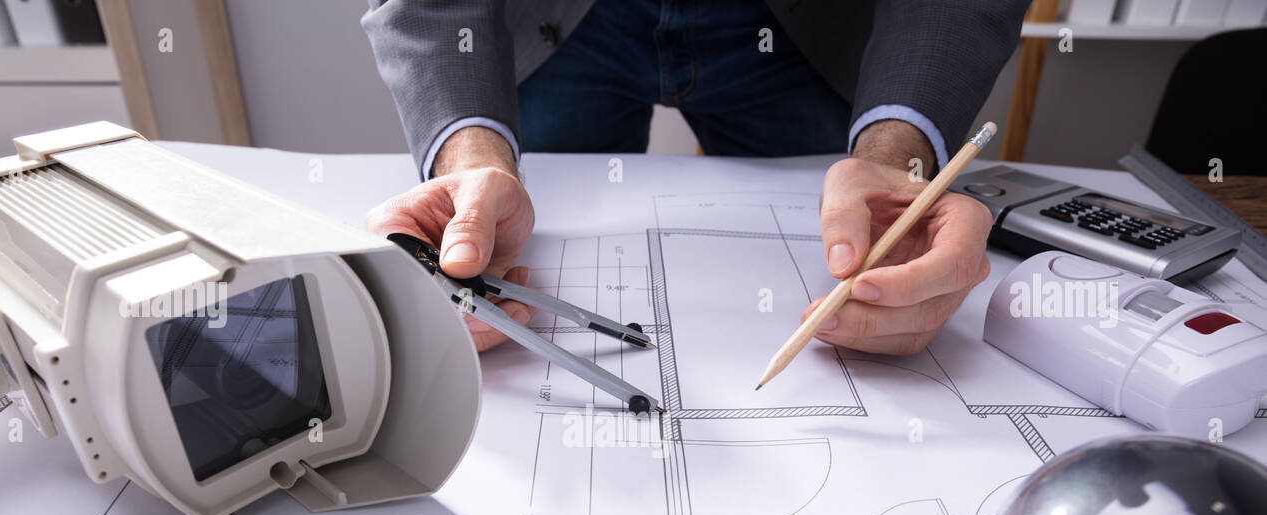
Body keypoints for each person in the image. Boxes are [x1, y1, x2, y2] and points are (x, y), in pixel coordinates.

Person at [360, 0, 1029, 355]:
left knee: (866, 248)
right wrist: (469, 157)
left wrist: (895, 158)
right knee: (508, 236)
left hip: (802, 22)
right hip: (562, 15)